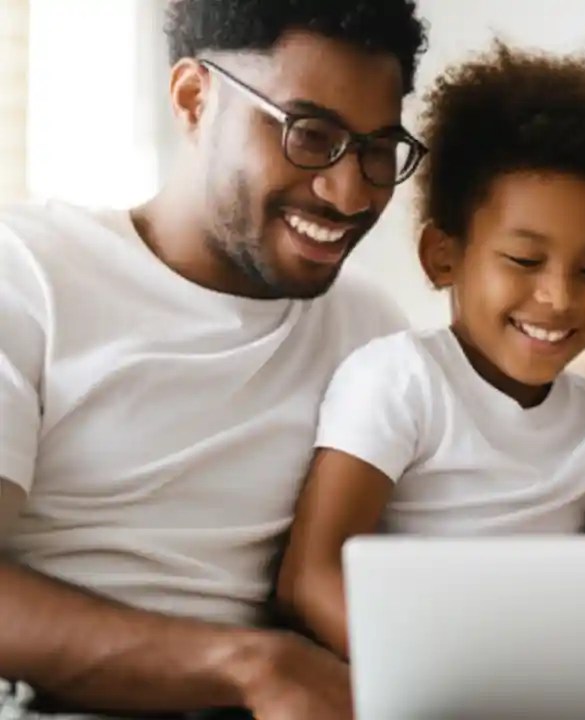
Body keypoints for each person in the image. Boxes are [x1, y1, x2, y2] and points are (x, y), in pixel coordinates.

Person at [0, 1, 427, 718]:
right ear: (195, 99)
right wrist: (249, 668)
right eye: (309, 133)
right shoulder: (30, 272)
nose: (349, 191)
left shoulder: (371, 330)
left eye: (378, 150)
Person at [273, 43, 585, 660]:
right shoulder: (402, 380)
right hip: (425, 676)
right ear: (444, 257)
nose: (558, 297)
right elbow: (308, 580)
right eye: (524, 260)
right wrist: (433, 680)